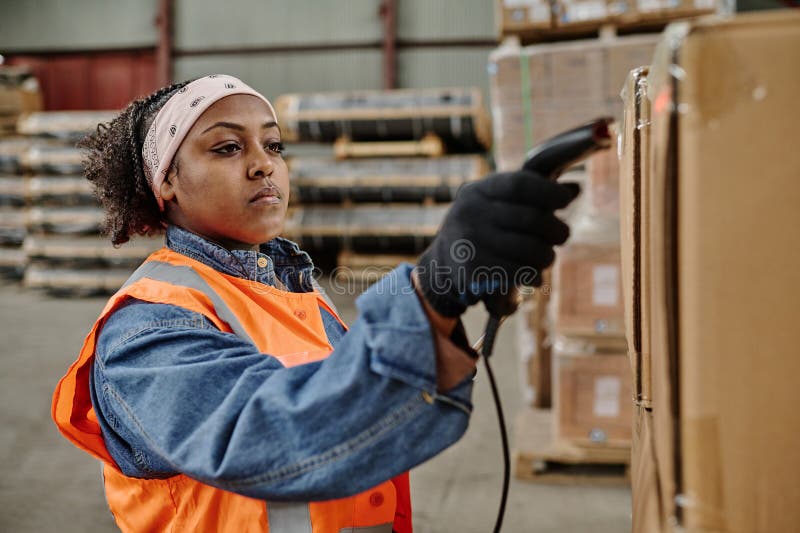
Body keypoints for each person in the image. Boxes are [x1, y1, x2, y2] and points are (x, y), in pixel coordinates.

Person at [52, 75, 579, 533]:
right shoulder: (146, 327)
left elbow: (349, 397)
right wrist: (430, 291)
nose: (264, 166)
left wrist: (442, 304)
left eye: (274, 146)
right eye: (227, 148)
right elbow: (265, 433)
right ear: (165, 179)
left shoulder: (290, 285)